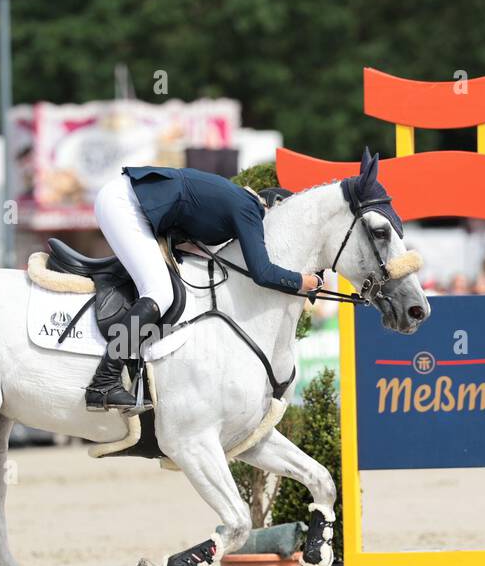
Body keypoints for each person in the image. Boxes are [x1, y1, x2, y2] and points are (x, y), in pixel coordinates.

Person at [84, 166, 322, 410]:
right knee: (159, 292)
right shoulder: (250, 209)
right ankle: (104, 382)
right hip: (125, 204)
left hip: (133, 203)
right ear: (272, 209)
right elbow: (262, 273)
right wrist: (304, 282)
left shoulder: (237, 206)